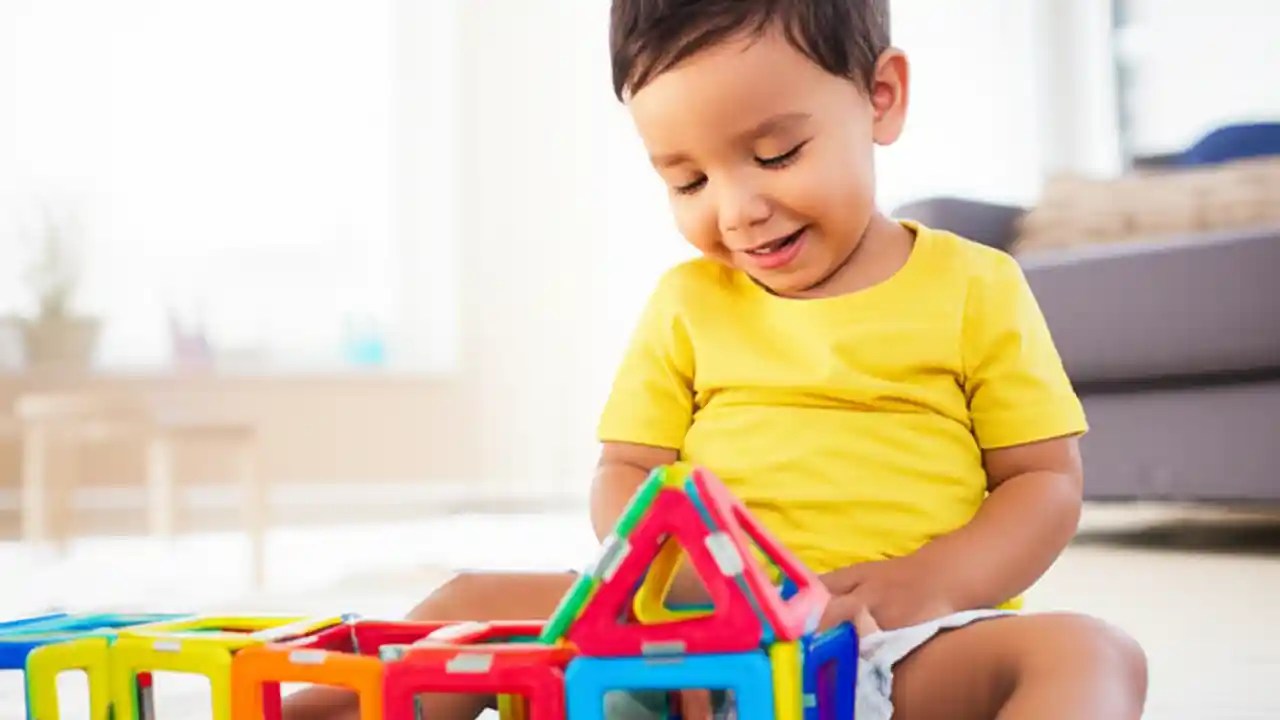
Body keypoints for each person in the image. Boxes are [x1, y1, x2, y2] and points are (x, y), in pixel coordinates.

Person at [284, 1, 1148, 718]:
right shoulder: (687, 302)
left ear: (881, 97)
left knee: (1091, 653)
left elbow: (1043, 482)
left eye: (776, 154)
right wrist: (679, 584)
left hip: (884, 642)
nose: (738, 211)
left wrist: (930, 584)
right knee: (467, 603)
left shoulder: (975, 285)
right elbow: (625, 470)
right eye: (688, 181)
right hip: (680, 633)